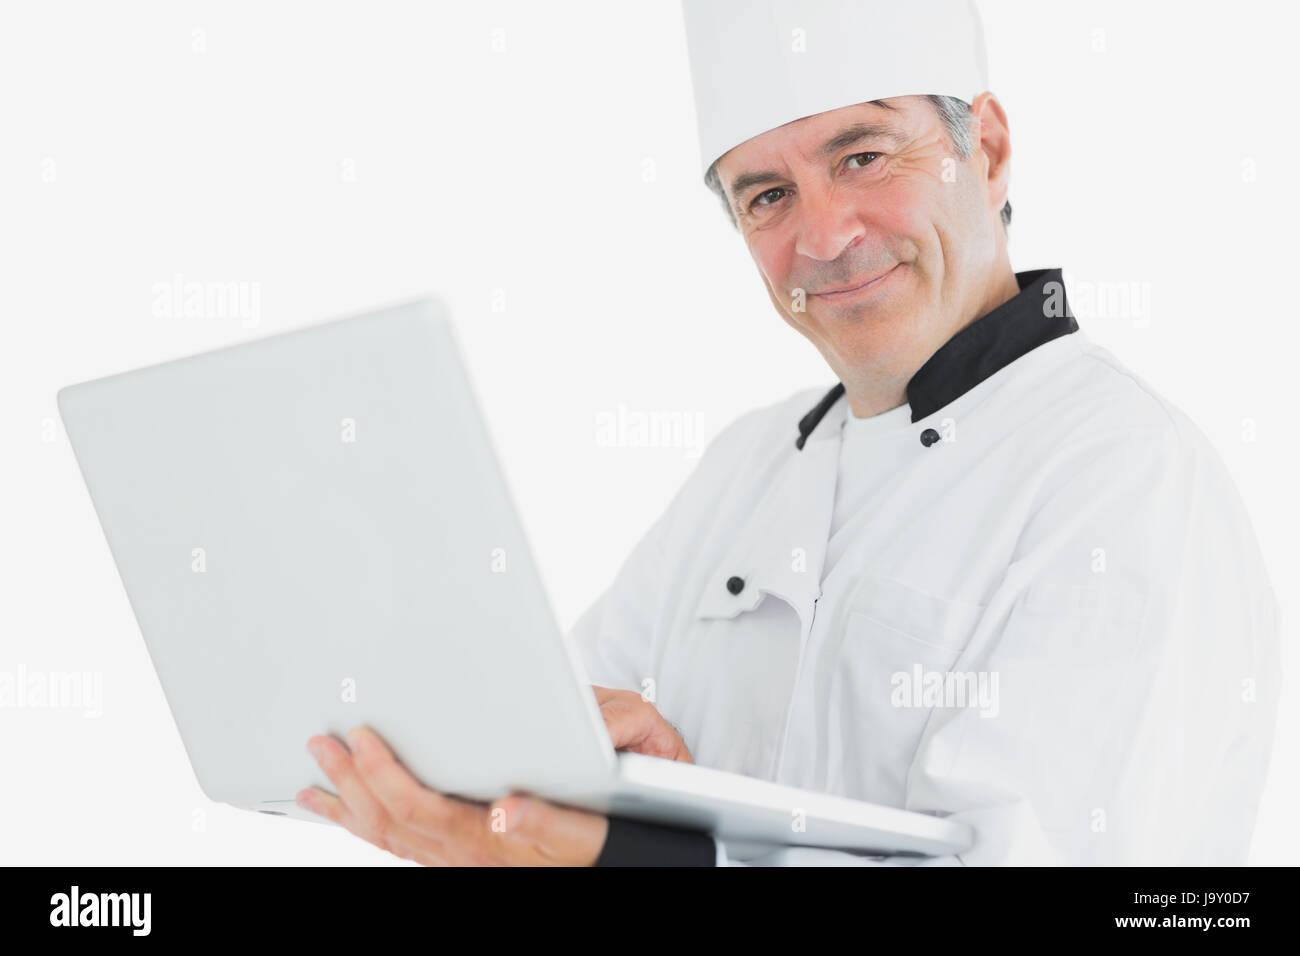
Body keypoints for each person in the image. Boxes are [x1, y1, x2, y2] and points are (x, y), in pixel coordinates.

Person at [297, 0, 1280, 866]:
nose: (822, 237)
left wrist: (631, 861)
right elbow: (550, 732)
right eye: (765, 194)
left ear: (983, 148)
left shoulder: (1123, 475)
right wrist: (561, 770)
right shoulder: (747, 464)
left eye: (861, 155)